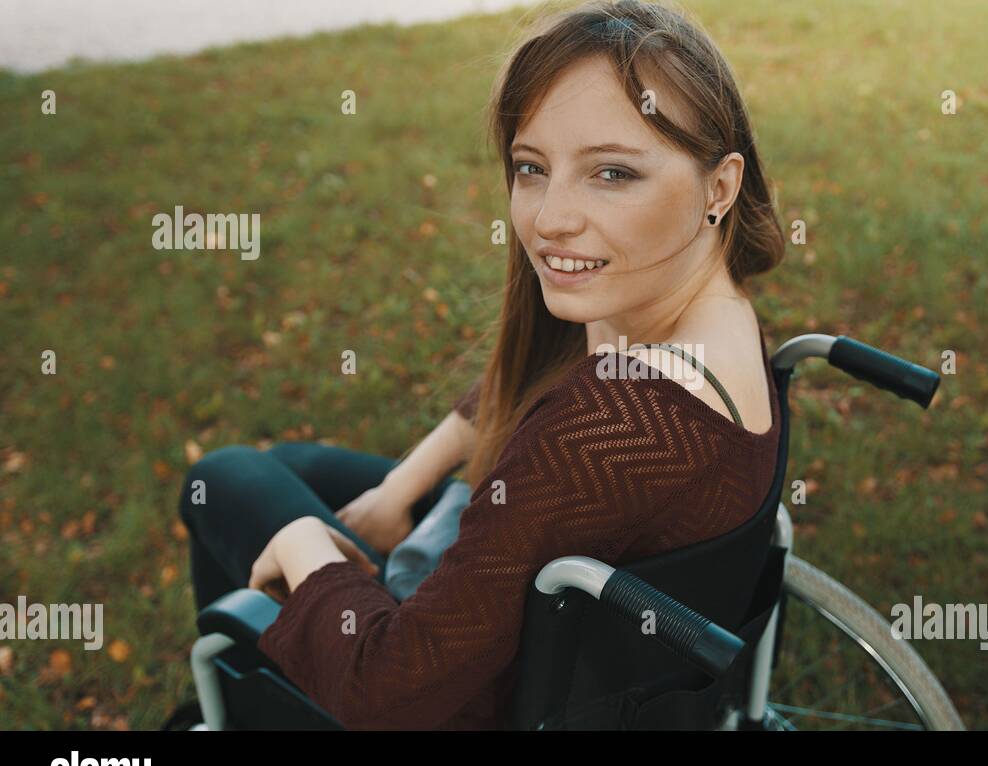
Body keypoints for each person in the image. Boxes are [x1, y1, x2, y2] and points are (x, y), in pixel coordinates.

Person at [179, 0, 786, 729]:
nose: (549, 218)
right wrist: (405, 483)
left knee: (222, 478)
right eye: (532, 167)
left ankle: (245, 695)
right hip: (557, 626)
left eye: (613, 173)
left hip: (462, 698)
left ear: (719, 186)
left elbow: (391, 691)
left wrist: (307, 549)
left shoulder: (608, 423)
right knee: (295, 467)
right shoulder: (705, 321)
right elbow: (531, 385)